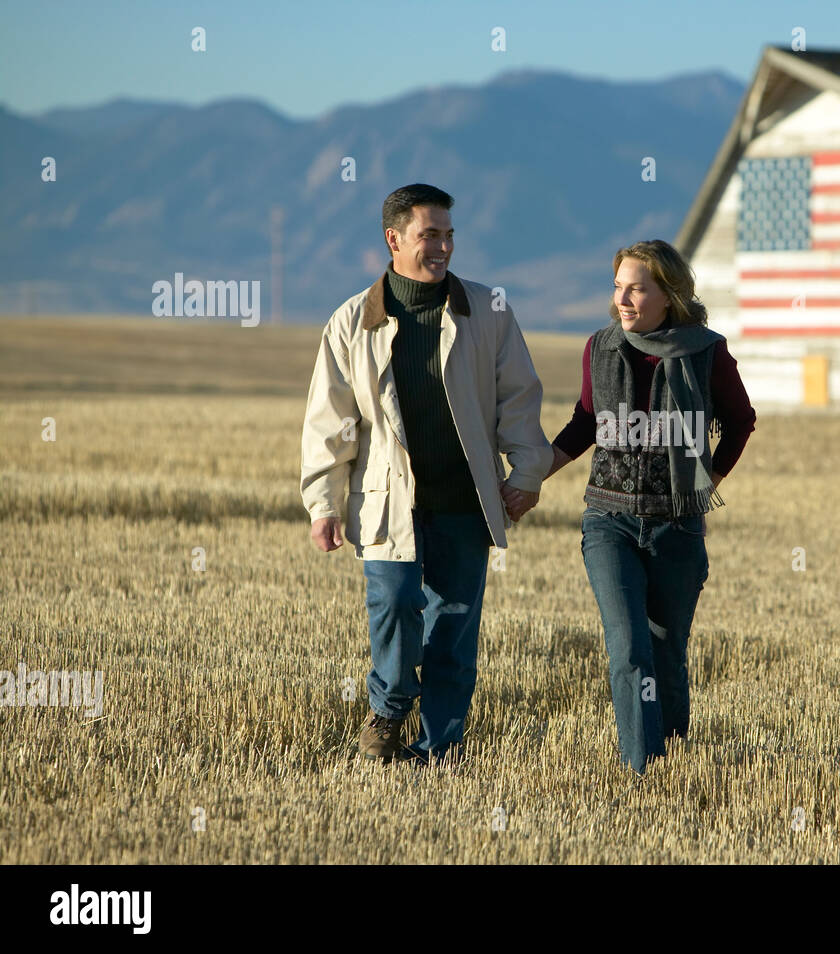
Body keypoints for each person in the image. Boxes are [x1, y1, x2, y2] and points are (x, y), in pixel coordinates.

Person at [301, 183, 549, 765]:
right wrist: (324, 504)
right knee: (392, 605)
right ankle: (388, 714)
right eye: (428, 235)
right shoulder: (350, 322)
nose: (442, 247)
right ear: (393, 240)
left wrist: (528, 471)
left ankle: (440, 748)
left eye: (448, 235)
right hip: (387, 501)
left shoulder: (487, 310)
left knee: (454, 631)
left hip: (464, 501)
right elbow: (330, 422)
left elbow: (518, 398)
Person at [520, 239, 755, 774]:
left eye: (636, 288)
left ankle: (672, 758)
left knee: (667, 655)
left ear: (667, 296)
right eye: (617, 287)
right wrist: (531, 479)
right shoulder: (600, 347)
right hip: (609, 521)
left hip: (678, 525)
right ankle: (641, 767)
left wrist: (706, 482)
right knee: (628, 648)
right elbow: (584, 423)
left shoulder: (707, 352)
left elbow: (741, 421)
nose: (622, 299)